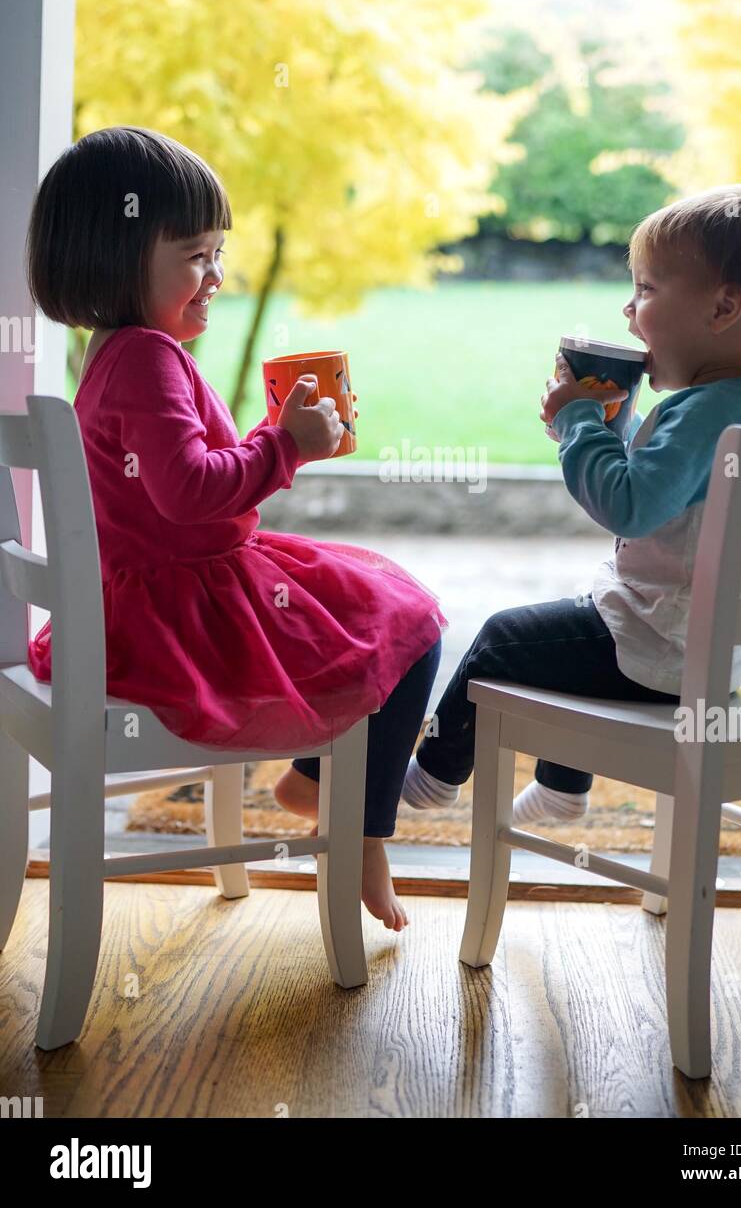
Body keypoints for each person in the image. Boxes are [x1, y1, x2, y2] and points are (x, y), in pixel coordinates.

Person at [25, 124, 448, 932]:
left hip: (143, 605)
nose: (217, 274)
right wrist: (286, 443)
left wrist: (271, 437)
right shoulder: (148, 358)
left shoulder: (119, 352)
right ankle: (353, 819)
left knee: (372, 604)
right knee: (409, 619)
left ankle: (320, 787)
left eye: (219, 251)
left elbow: (180, 478)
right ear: (116, 256)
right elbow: (189, 494)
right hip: (182, 618)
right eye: (195, 255)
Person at [402, 185, 741, 824]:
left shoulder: (709, 411)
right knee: (580, 617)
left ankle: (431, 778)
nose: (629, 311)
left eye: (647, 290)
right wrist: (608, 428)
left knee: (503, 639)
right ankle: (561, 788)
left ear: (723, 307)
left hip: (662, 655)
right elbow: (668, 481)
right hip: (709, 656)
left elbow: (631, 506)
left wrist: (581, 422)